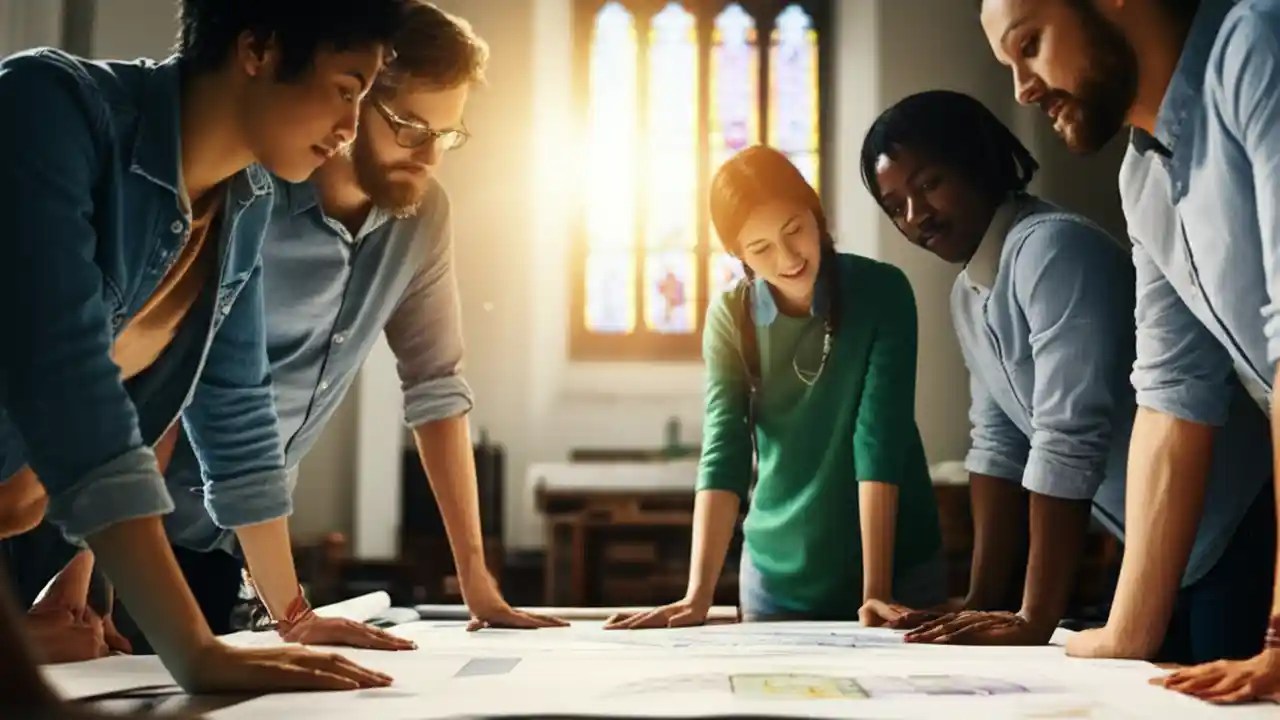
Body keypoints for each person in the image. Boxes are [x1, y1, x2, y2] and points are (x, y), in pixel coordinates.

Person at [0, 0, 408, 691]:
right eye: (346, 90)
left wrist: (293, 616)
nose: (350, 128)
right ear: (259, 50)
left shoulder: (245, 203)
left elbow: (237, 417)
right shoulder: (47, 109)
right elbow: (67, 387)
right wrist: (195, 651)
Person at [160, 1, 565, 636]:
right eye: (411, 126)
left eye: (447, 135)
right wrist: (91, 581)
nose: (430, 157)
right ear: (355, 94)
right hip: (136, 530)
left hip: (240, 550)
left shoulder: (422, 218)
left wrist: (476, 579)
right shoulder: (246, 191)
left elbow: (437, 388)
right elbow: (165, 384)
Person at [978, 0, 1280, 700]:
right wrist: (1128, 631)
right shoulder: (1141, 180)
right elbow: (1174, 396)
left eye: (1031, 45)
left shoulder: (1254, 45)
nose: (1022, 88)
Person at [605, 146, 944, 628]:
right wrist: (696, 596)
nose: (787, 259)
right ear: (737, 255)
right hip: (778, 577)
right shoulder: (731, 316)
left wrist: (878, 592)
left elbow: (878, 438)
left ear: (815, 214)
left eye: (795, 231)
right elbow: (725, 449)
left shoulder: (883, 291)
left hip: (897, 569)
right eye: (760, 249)